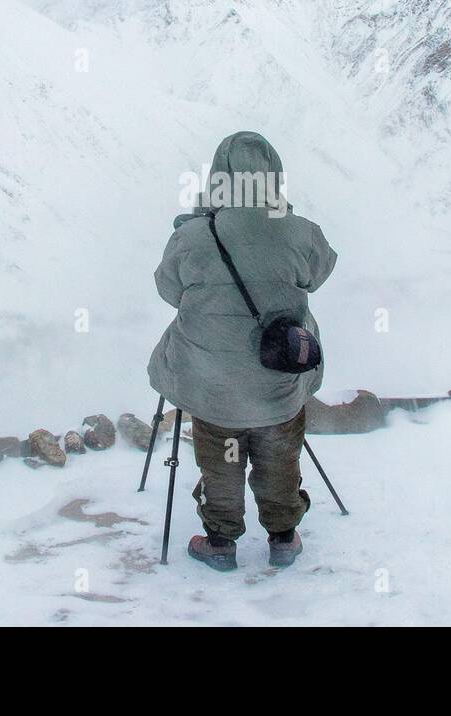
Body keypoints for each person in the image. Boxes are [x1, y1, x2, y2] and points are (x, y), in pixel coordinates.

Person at [147, 131, 337, 571]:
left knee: (222, 461)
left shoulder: (194, 236)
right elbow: (319, 272)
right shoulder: (300, 232)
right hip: (278, 382)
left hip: (214, 388)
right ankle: (284, 537)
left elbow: (169, 290)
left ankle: (219, 541)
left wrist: (199, 231)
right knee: (278, 456)